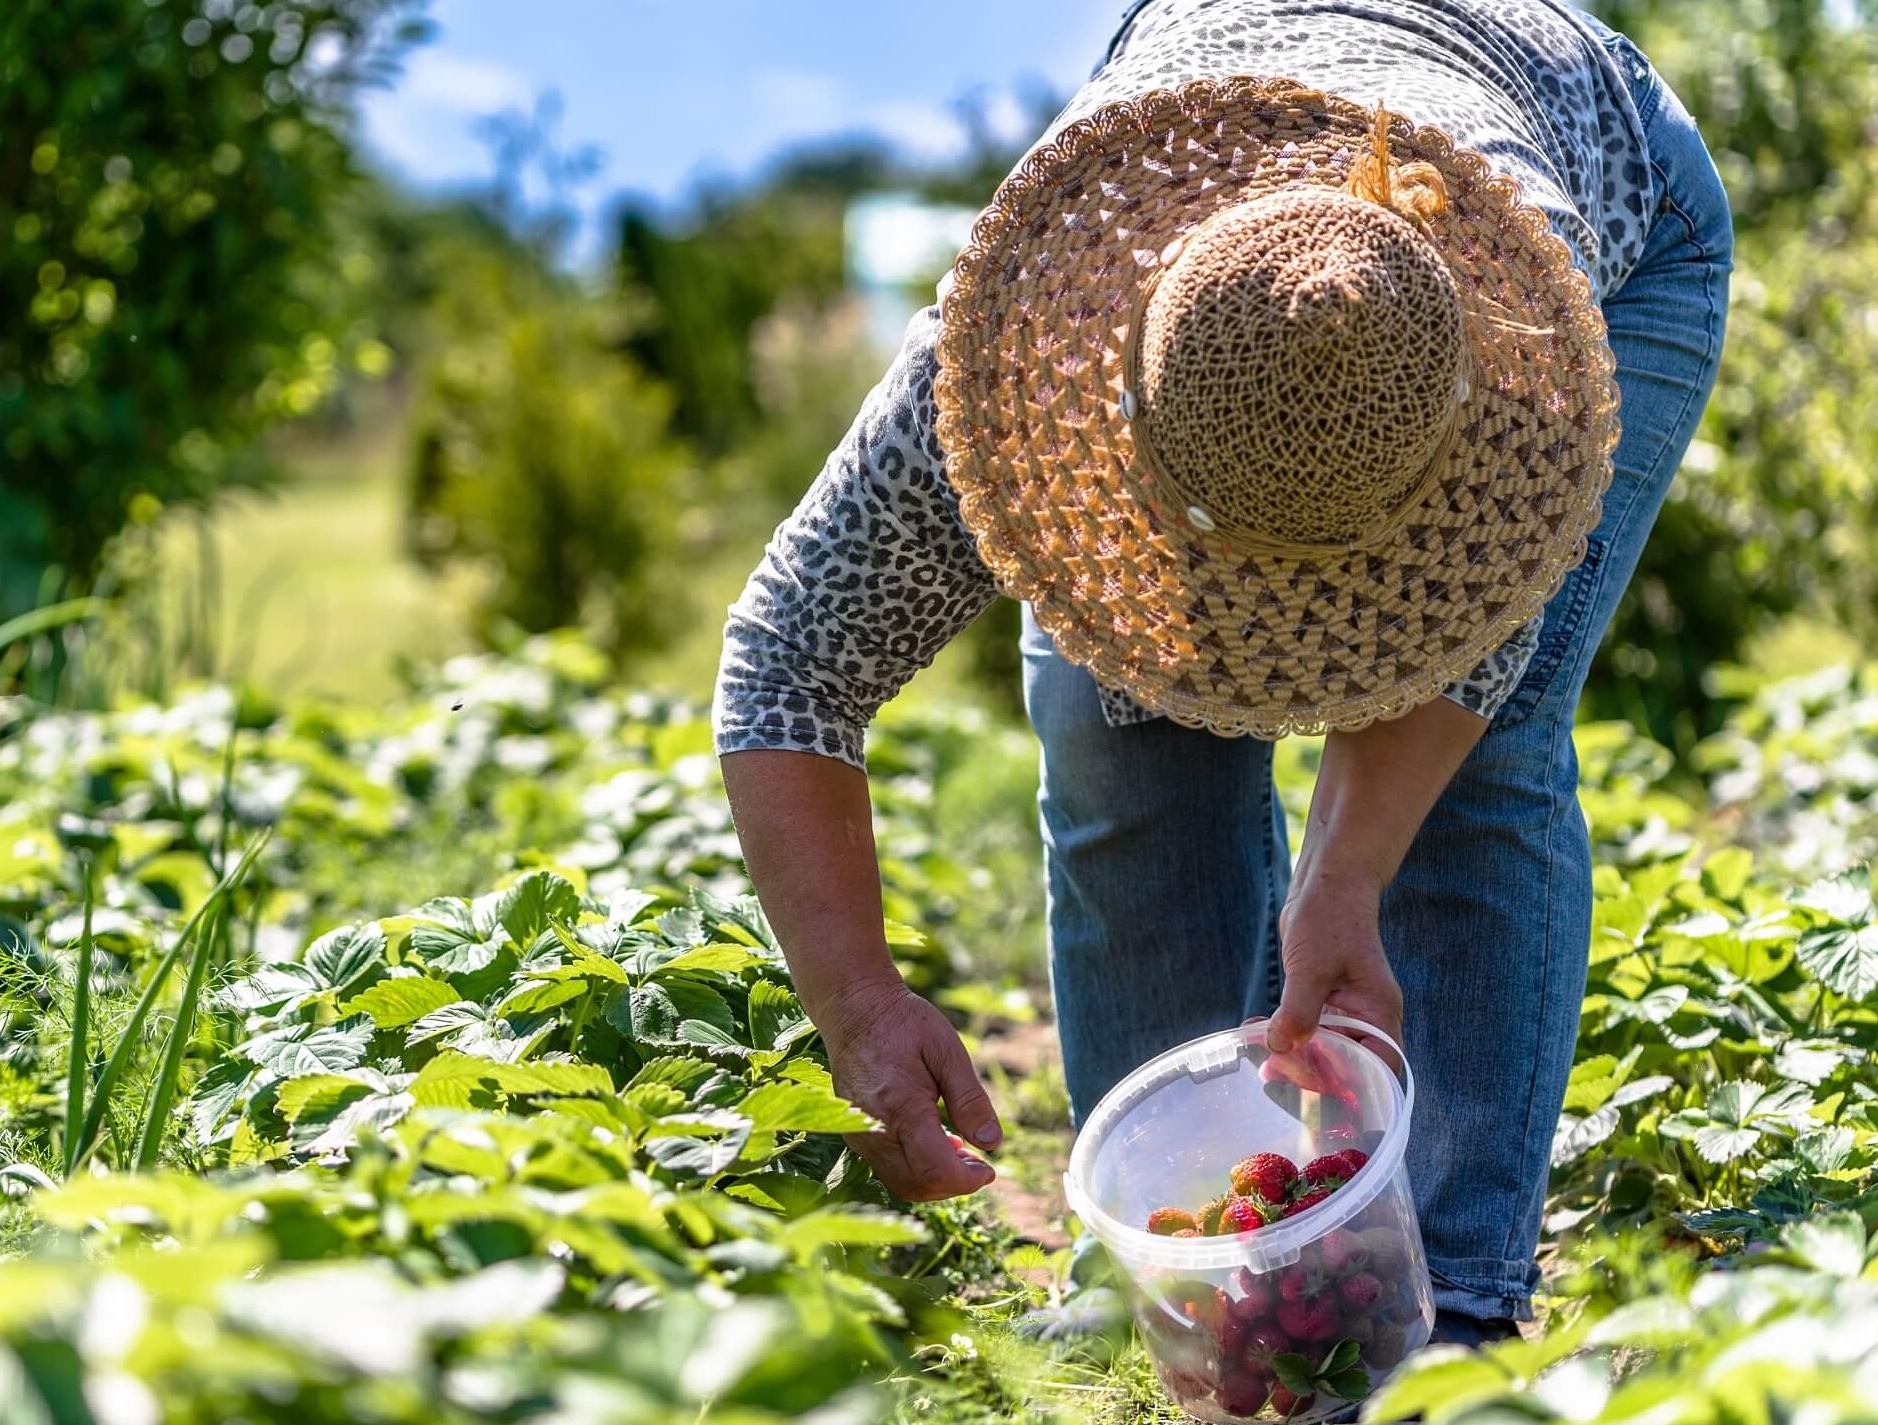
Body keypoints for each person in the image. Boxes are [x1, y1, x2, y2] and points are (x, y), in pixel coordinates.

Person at [712, 0, 1731, 1342]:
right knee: (1115, 718)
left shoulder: (1518, 357)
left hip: (1615, 195)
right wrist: (857, 1008)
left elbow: (1484, 636)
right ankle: (1172, 1272)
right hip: (1214, 191)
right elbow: (788, 663)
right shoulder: (1031, 312)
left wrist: (1344, 880)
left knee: (1481, 754)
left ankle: (1453, 1304)